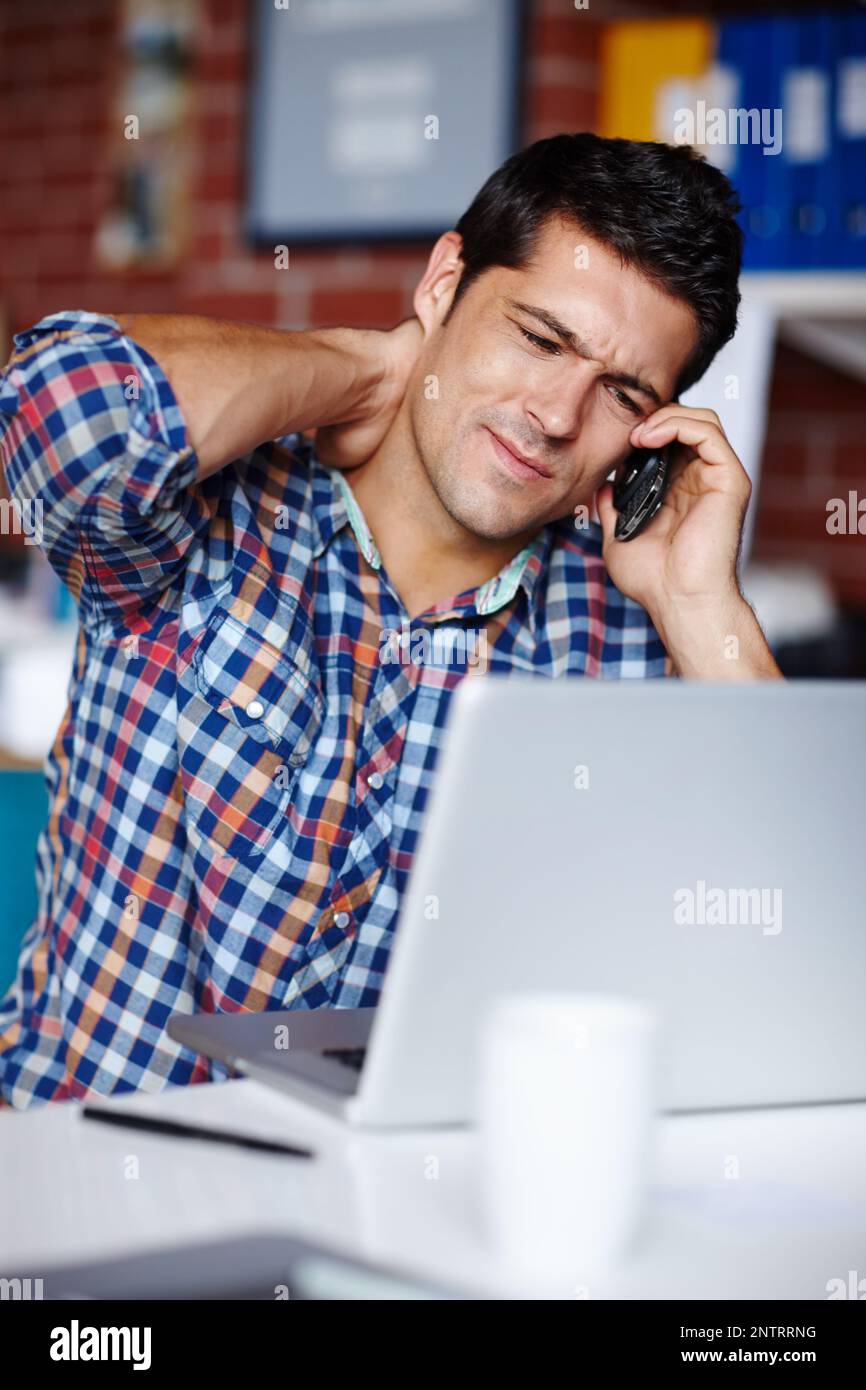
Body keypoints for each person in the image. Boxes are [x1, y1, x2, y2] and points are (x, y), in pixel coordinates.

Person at [0, 132, 781, 1109]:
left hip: (394, 1234)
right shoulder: (212, 509)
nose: (551, 415)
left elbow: (789, 954)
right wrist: (350, 366)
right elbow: (56, 413)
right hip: (77, 1188)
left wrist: (701, 607)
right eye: (539, 339)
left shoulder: (628, 643)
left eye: (621, 394)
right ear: (444, 282)